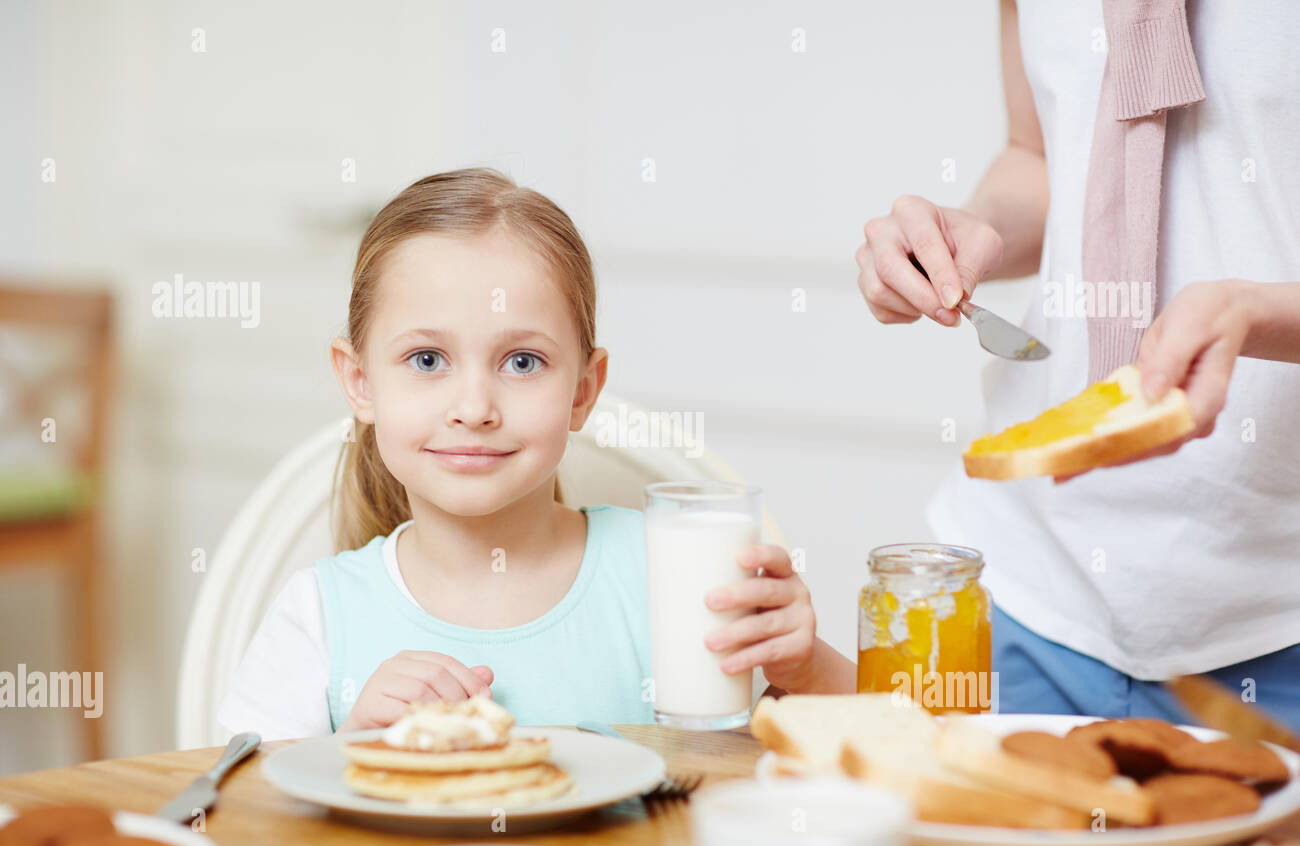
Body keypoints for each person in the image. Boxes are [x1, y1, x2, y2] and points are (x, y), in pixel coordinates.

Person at [219, 168, 850, 740]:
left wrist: (807, 669)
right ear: (360, 382)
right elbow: (235, 812)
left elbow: (877, 752)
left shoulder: (672, 576)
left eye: (522, 362)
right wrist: (349, 751)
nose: (474, 407)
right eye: (427, 360)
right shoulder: (318, 617)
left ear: (583, 391)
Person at [856, 0, 1300, 724]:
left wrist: (1254, 311)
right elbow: (1037, 156)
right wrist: (970, 233)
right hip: (1024, 588)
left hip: (1275, 618)